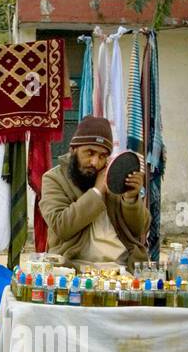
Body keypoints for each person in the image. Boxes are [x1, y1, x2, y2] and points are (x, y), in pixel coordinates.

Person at [39, 116, 150, 271]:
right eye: (89, 153)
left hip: (122, 267)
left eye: (102, 156)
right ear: (73, 150)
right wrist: (97, 192)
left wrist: (131, 199)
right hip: (75, 268)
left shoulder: (114, 175)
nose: (95, 162)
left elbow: (139, 230)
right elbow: (61, 226)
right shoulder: (54, 179)